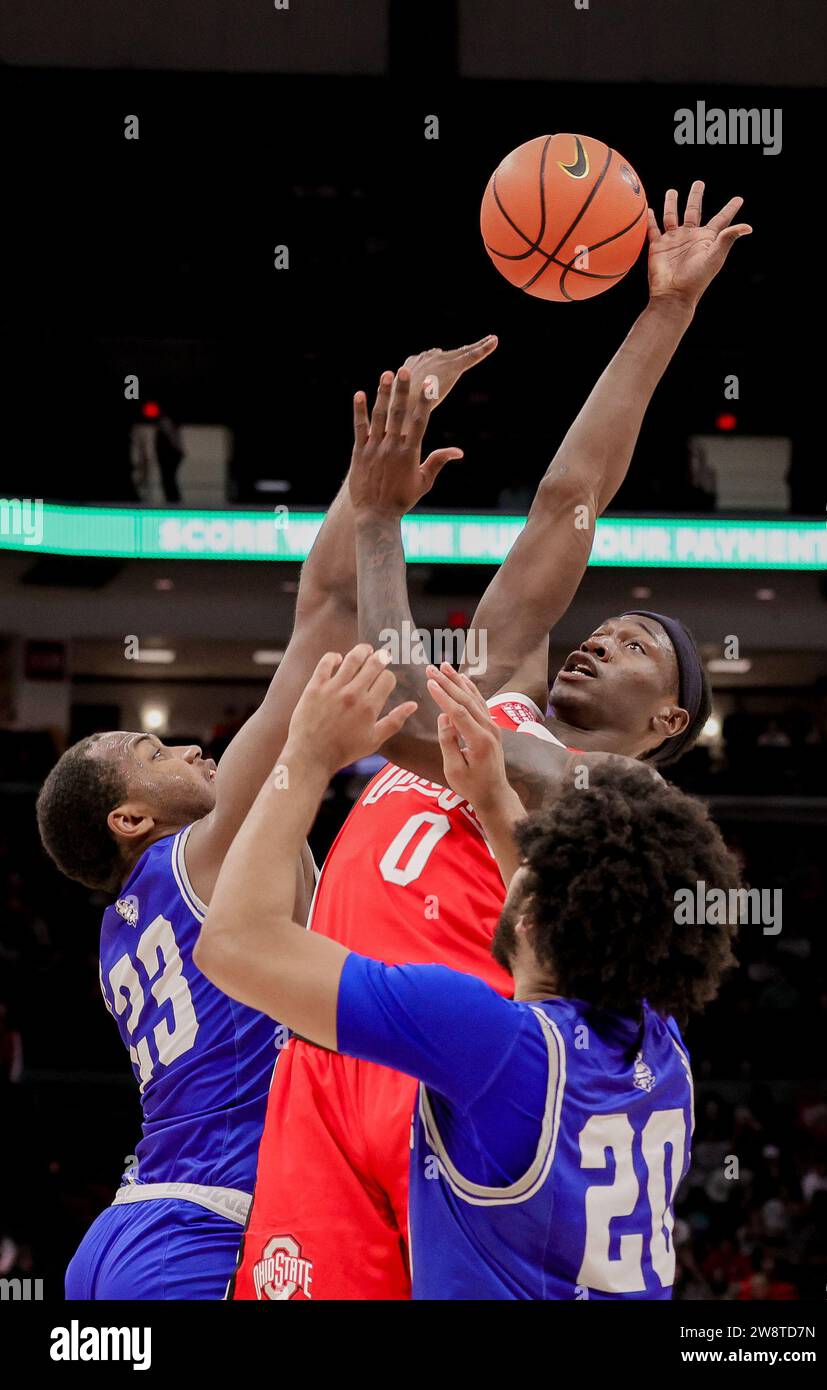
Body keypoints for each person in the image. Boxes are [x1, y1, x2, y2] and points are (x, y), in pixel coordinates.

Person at [231, 181, 751, 1301]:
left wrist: (378, 526)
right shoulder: (504, 679)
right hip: (325, 1042)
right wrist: (661, 310)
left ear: (665, 721)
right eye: (600, 627)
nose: (594, 642)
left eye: (631, 650)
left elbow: (406, 713)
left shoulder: (597, 795)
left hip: (440, 1061)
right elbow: (572, 494)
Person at [34, 339, 495, 1298]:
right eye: (156, 754)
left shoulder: (131, 923)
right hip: (211, 1226)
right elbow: (326, 609)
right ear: (129, 818)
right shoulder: (196, 859)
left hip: (133, 1232)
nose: (192, 750)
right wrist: (371, 487)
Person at [195, 647, 741, 1300]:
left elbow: (233, 943)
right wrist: (489, 796)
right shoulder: (663, 1045)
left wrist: (305, 758)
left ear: (535, 916)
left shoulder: (493, 1043)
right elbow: (558, 905)